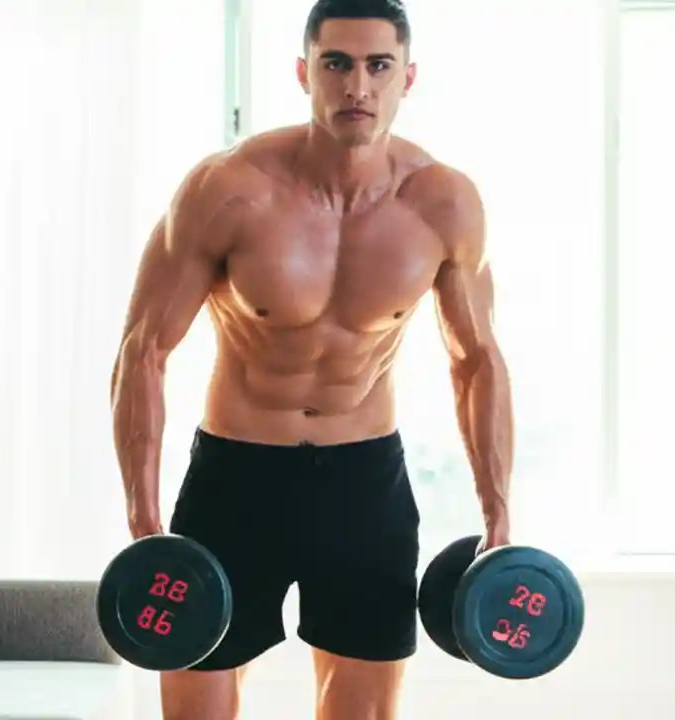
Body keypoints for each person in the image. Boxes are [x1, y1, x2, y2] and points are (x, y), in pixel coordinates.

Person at [109, 0, 514, 718]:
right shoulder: (227, 190)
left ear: (407, 77)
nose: (358, 86)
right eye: (337, 64)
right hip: (235, 480)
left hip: (363, 485)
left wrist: (498, 517)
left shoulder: (443, 204)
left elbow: (476, 360)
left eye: (378, 66)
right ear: (304, 72)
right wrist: (144, 523)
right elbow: (143, 350)